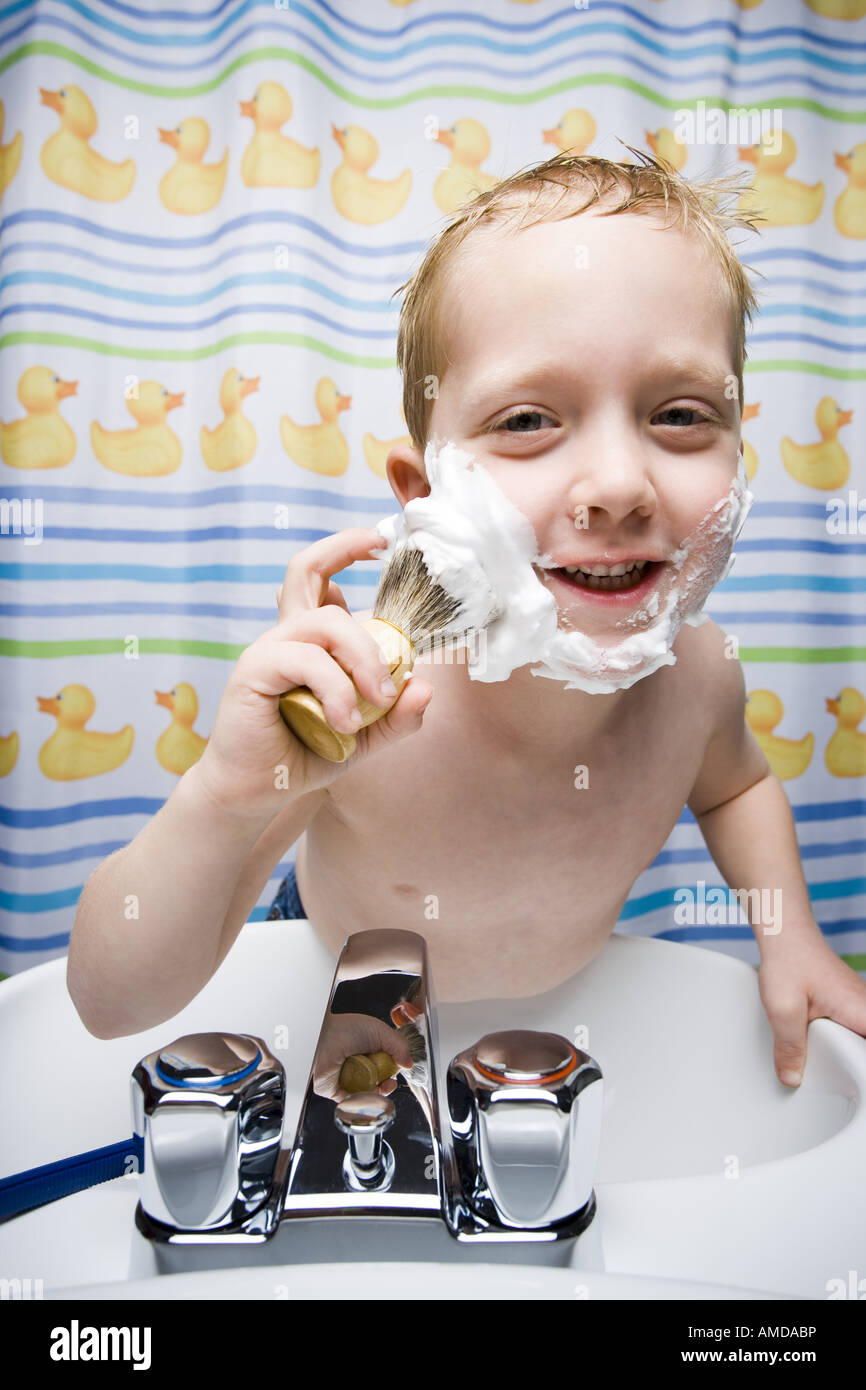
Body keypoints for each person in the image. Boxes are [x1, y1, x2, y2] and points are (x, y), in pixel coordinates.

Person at [67, 148, 866, 1091]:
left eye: (681, 414)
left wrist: (790, 934)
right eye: (528, 421)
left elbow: (736, 791)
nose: (617, 484)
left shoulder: (698, 681)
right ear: (425, 493)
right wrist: (221, 796)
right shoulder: (363, 703)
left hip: (552, 1023)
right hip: (333, 995)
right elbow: (108, 1005)